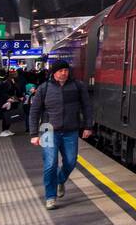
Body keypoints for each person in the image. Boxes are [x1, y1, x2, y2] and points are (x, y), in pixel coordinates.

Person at [29, 61, 93, 210]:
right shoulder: (44, 88)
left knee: (71, 161)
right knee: (50, 164)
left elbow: (87, 107)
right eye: (60, 71)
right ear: (54, 72)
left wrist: (88, 126)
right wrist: (33, 133)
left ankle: (60, 180)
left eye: (66, 70)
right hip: (48, 130)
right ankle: (50, 197)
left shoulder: (78, 86)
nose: (64, 73)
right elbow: (34, 112)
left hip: (71, 130)